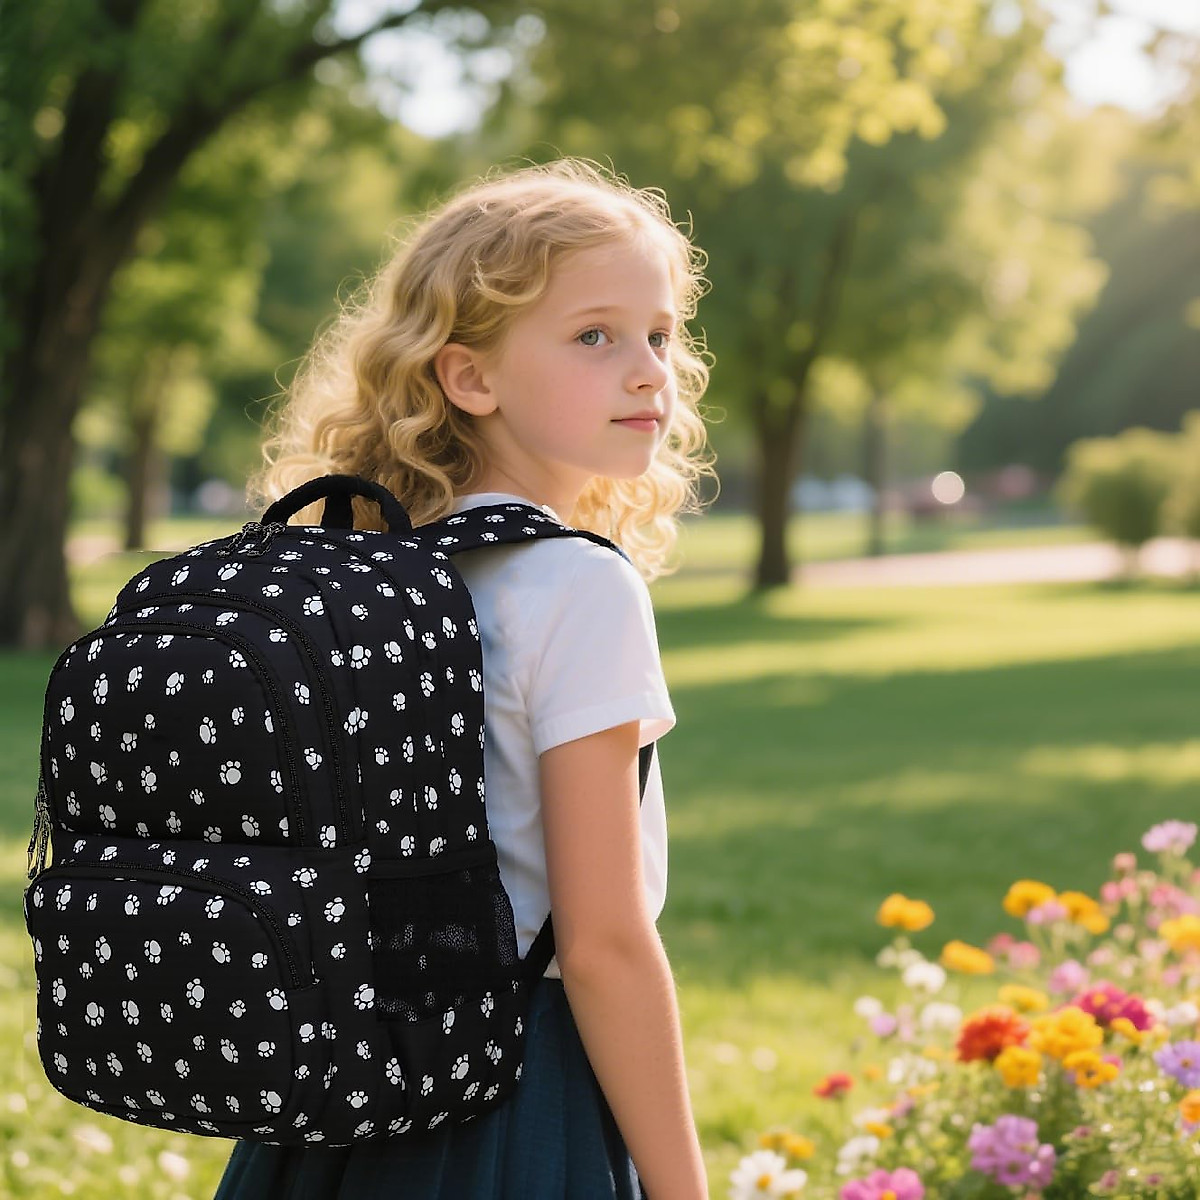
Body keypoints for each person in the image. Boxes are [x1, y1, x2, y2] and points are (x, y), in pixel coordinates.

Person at [214, 156, 717, 1200]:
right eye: (596, 335)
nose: (649, 371)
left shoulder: (355, 570)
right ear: (469, 377)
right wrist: (684, 1189)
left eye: (661, 334)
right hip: (511, 1103)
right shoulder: (579, 589)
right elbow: (603, 947)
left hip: (339, 1104)